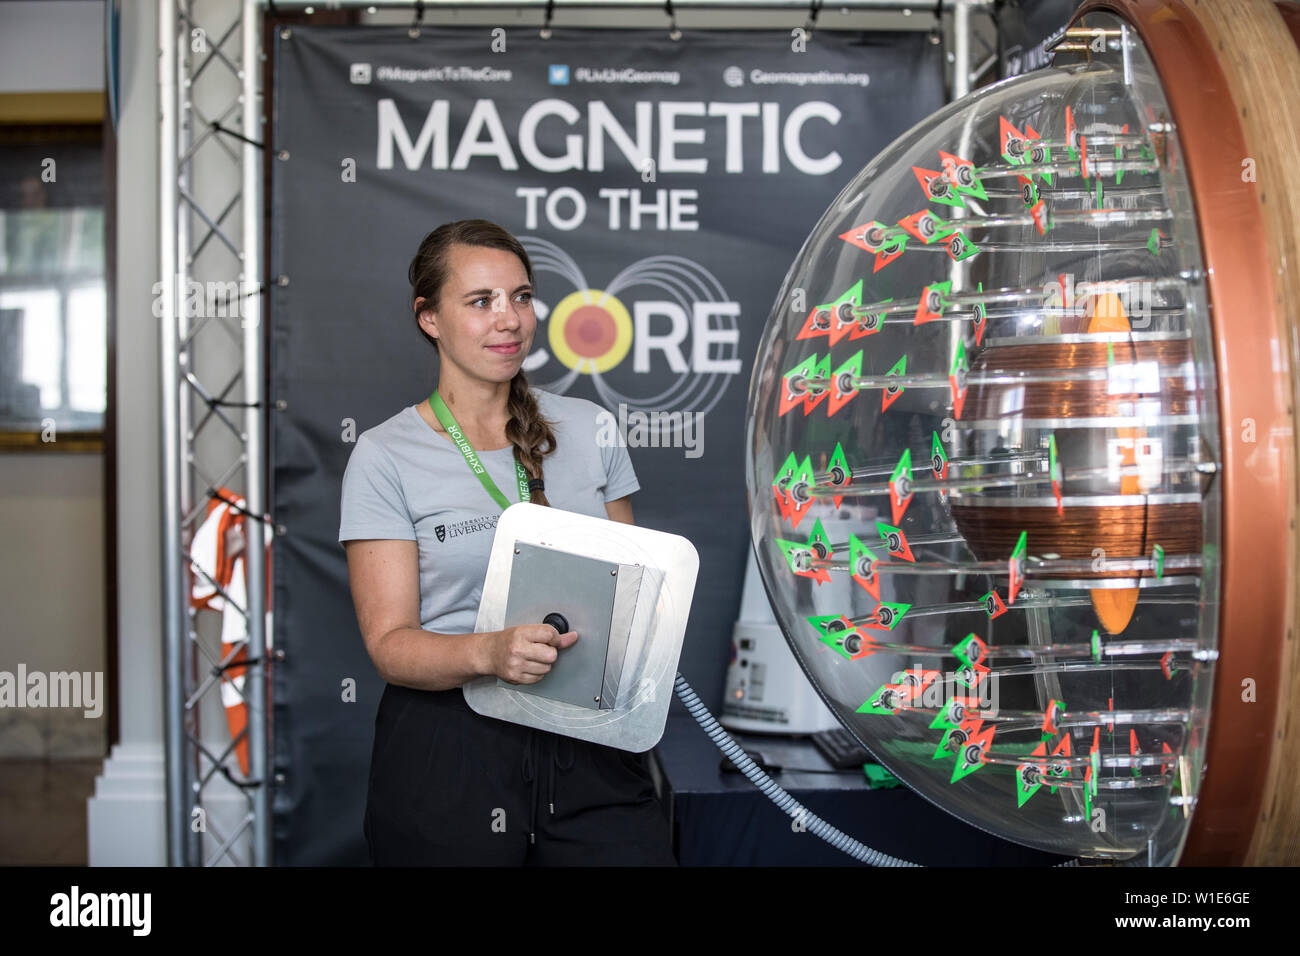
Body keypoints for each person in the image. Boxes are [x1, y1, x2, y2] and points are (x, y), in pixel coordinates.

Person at [338, 218, 676, 866]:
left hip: (592, 741)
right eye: (481, 300)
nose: (510, 319)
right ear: (429, 317)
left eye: (521, 297)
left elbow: (633, 593)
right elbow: (390, 646)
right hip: (450, 753)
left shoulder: (591, 428)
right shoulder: (384, 456)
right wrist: (488, 651)